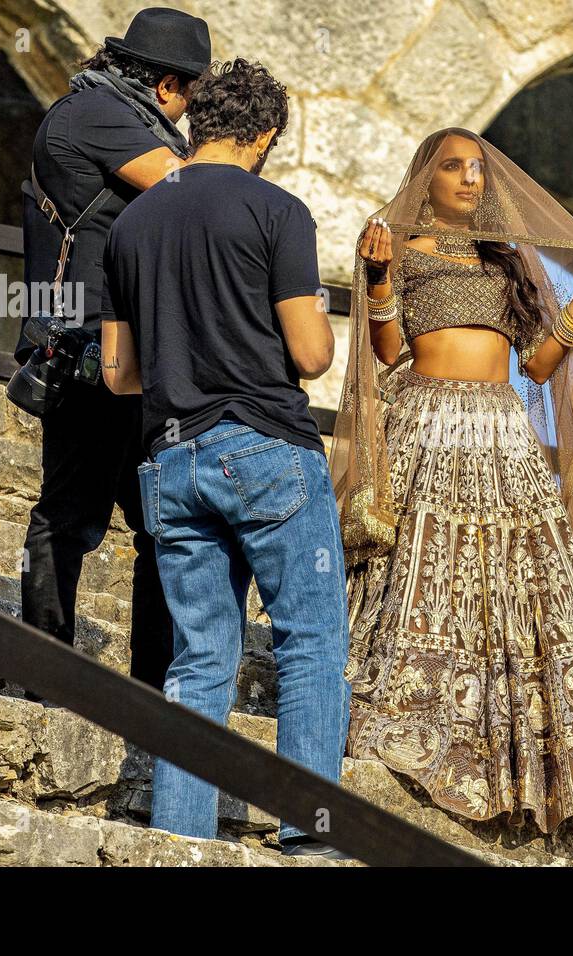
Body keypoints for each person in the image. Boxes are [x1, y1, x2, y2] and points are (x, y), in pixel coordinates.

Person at [331, 128, 573, 834]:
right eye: (452, 167)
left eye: (478, 170)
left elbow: (540, 365)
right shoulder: (396, 248)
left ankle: (539, 763)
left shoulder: (507, 262)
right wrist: (380, 278)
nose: (468, 179)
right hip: (429, 423)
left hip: (505, 435)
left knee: (520, 587)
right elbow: (387, 350)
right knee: (426, 580)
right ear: (425, 177)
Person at [101, 58, 351, 858]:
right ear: (265, 133)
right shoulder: (278, 209)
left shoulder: (133, 223)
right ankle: (308, 836)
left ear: (195, 121)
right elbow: (311, 357)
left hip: (170, 459)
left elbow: (119, 374)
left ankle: (181, 841)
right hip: (267, 443)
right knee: (310, 639)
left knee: (199, 657)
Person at [17, 7, 211, 692]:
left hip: (132, 352)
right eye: (193, 96)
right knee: (70, 514)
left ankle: (150, 693)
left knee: (164, 522)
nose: (192, 115)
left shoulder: (117, 115)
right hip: (87, 347)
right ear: (166, 85)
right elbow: (191, 191)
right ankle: (43, 672)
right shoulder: (95, 113)